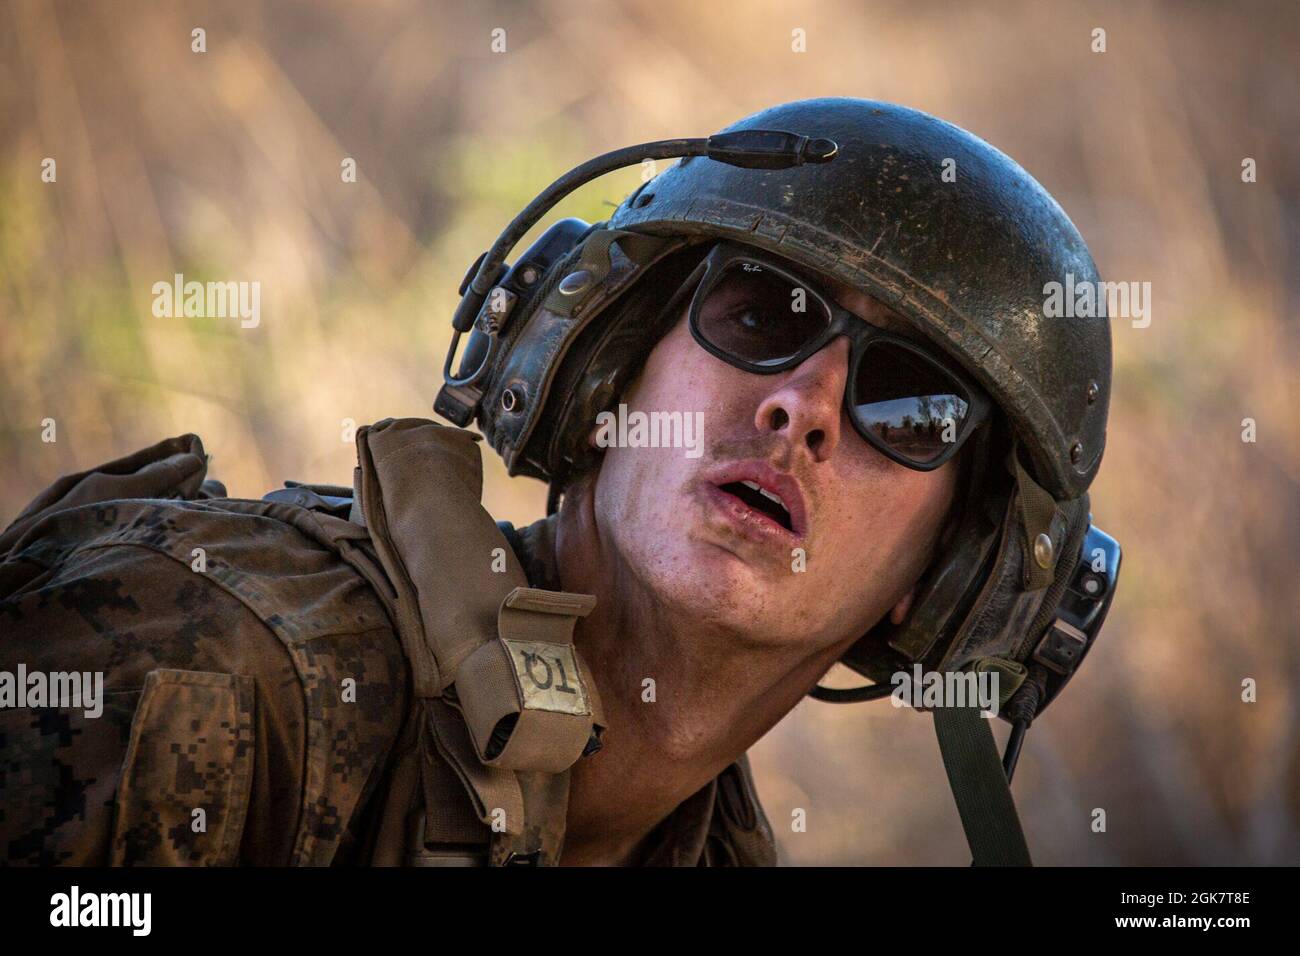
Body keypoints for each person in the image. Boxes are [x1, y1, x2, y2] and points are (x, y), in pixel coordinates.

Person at [0, 97, 1117, 867]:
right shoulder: (198, 669)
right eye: (760, 313)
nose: (804, 408)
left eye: (909, 405)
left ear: (955, 580)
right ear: (598, 368)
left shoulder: (709, 848)